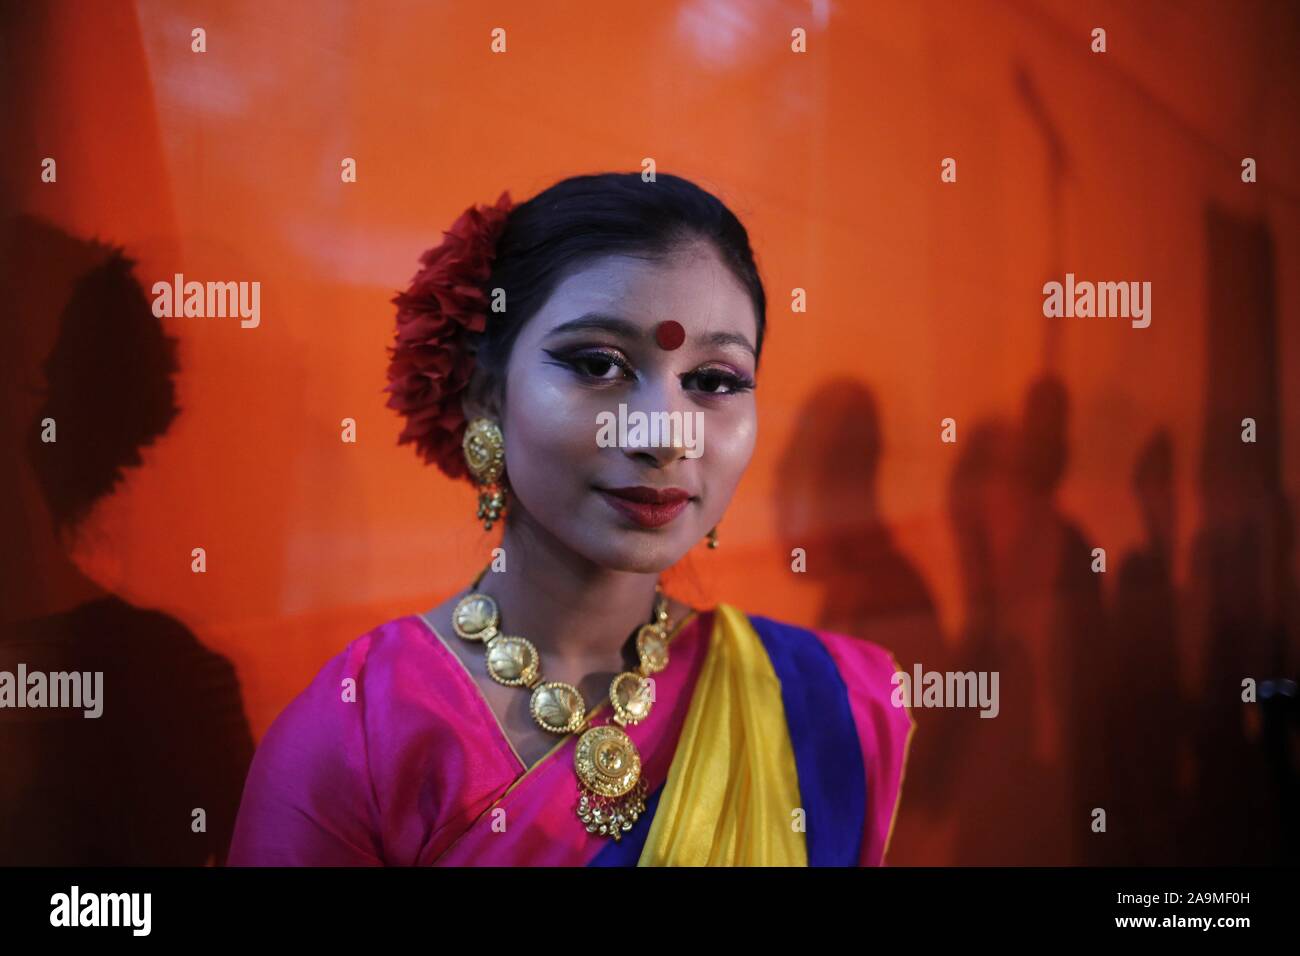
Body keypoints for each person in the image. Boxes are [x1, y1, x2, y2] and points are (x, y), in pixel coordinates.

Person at [226, 172, 912, 866]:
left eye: (713, 381)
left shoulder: (825, 709)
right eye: (598, 364)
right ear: (486, 392)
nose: (665, 436)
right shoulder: (359, 735)